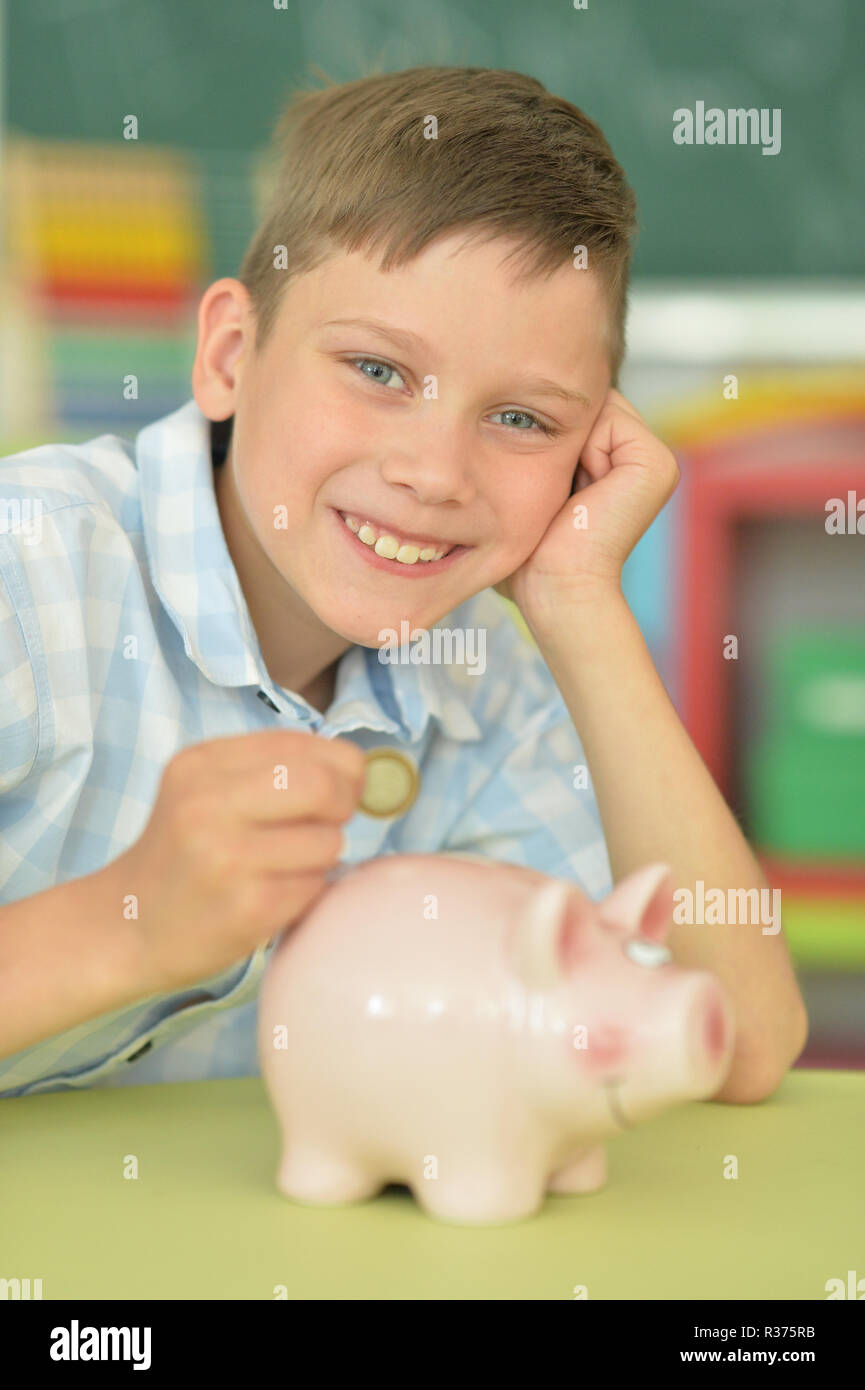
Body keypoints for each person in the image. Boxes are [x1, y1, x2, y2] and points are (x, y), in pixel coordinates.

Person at [0, 66, 807, 1099]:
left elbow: (734, 1041)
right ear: (231, 353)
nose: (434, 473)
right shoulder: (31, 577)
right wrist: (125, 927)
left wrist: (580, 608)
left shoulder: (488, 679)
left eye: (523, 419)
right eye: (379, 371)